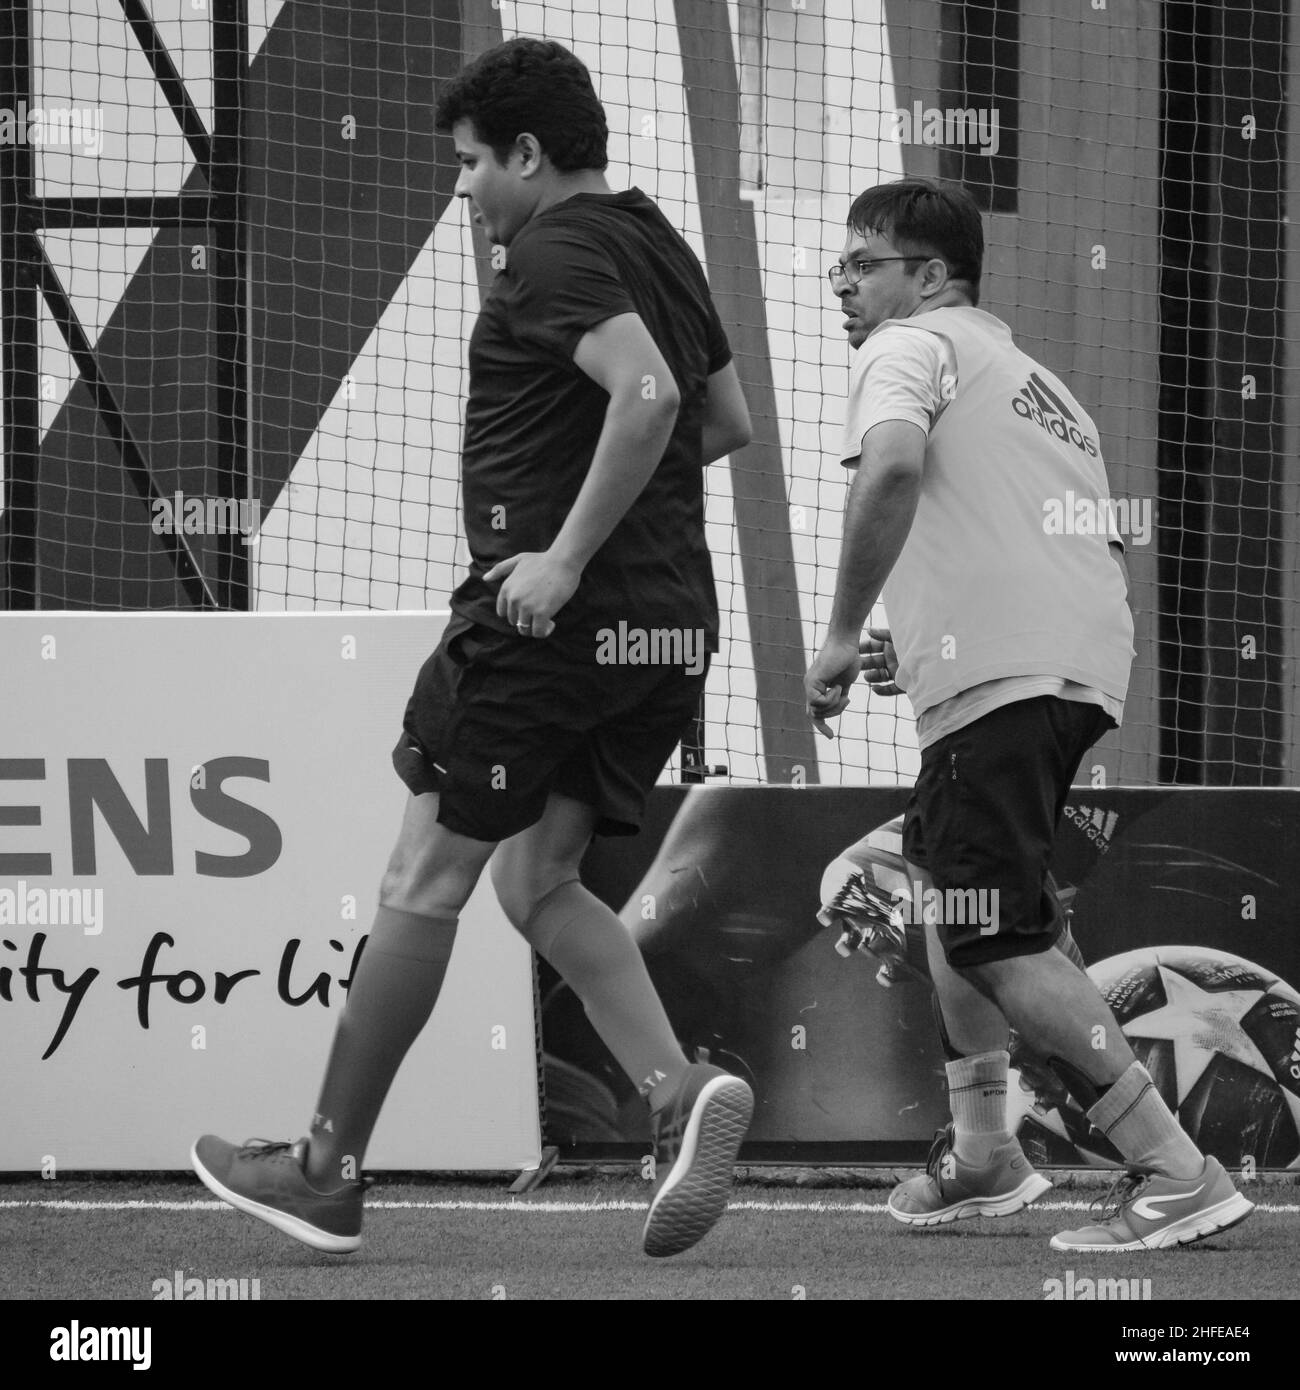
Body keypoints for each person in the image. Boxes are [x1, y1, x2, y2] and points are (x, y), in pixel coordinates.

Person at [192, 37, 754, 1260]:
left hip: (542, 627)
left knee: (420, 882)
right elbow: (728, 420)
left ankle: (325, 1172)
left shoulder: (548, 247)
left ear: (530, 155)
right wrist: (614, 533)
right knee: (533, 884)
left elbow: (653, 399)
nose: (464, 192)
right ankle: (678, 1092)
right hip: (665, 627)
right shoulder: (655, 235)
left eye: (470, 165)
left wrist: (560, 555)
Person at [805, 177, 1253, 1251]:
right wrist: (909, 643)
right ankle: (984, 1154)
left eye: (862, 263)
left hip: (1008, 681)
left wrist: (834, 631)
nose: (842, 283)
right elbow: (1020, 535)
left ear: (928, 276)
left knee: (994, 931)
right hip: (1063, 670)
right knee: (948, 888)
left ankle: (1174, 1168)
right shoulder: (1035, 380)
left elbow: (896, 470)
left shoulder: (905, 348)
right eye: (840, 264)